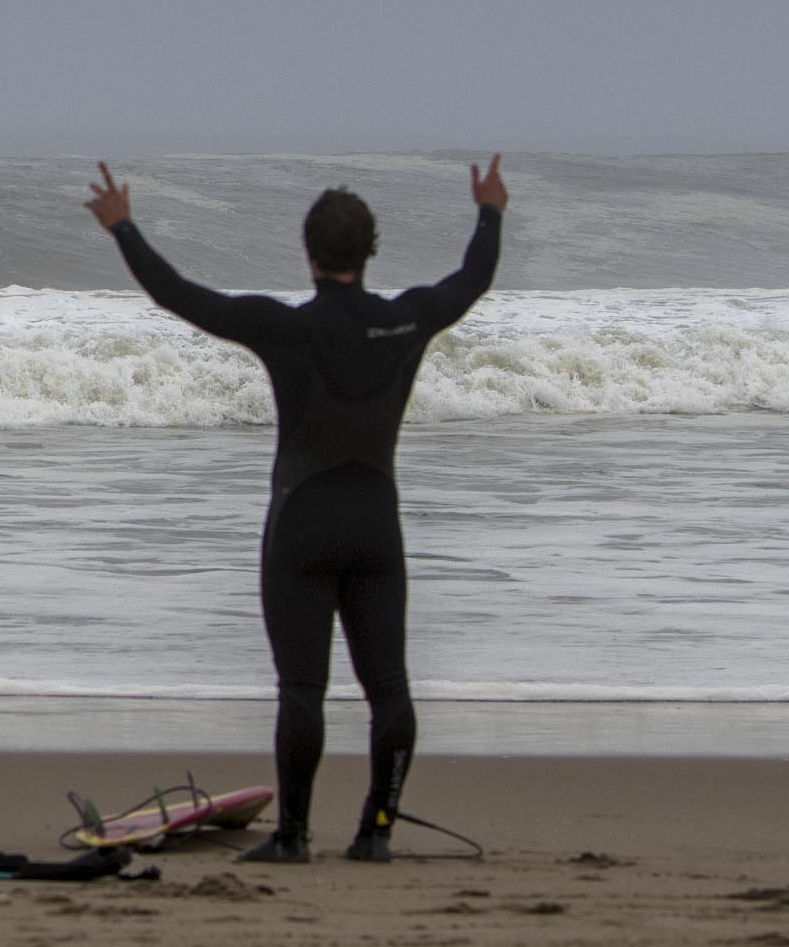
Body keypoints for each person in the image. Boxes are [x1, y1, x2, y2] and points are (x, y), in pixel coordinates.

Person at [87, 156, 507, 864]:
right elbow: (472, 280)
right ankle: (376, 833)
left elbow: (182, 296)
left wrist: (123, 227)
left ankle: (294, 836)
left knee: (302, 689)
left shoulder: (284, 329)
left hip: (303, 525)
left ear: (307, 251)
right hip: (377, 523)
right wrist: (490, 211)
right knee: (391, 689)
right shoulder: (407, 321)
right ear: (369, 250)